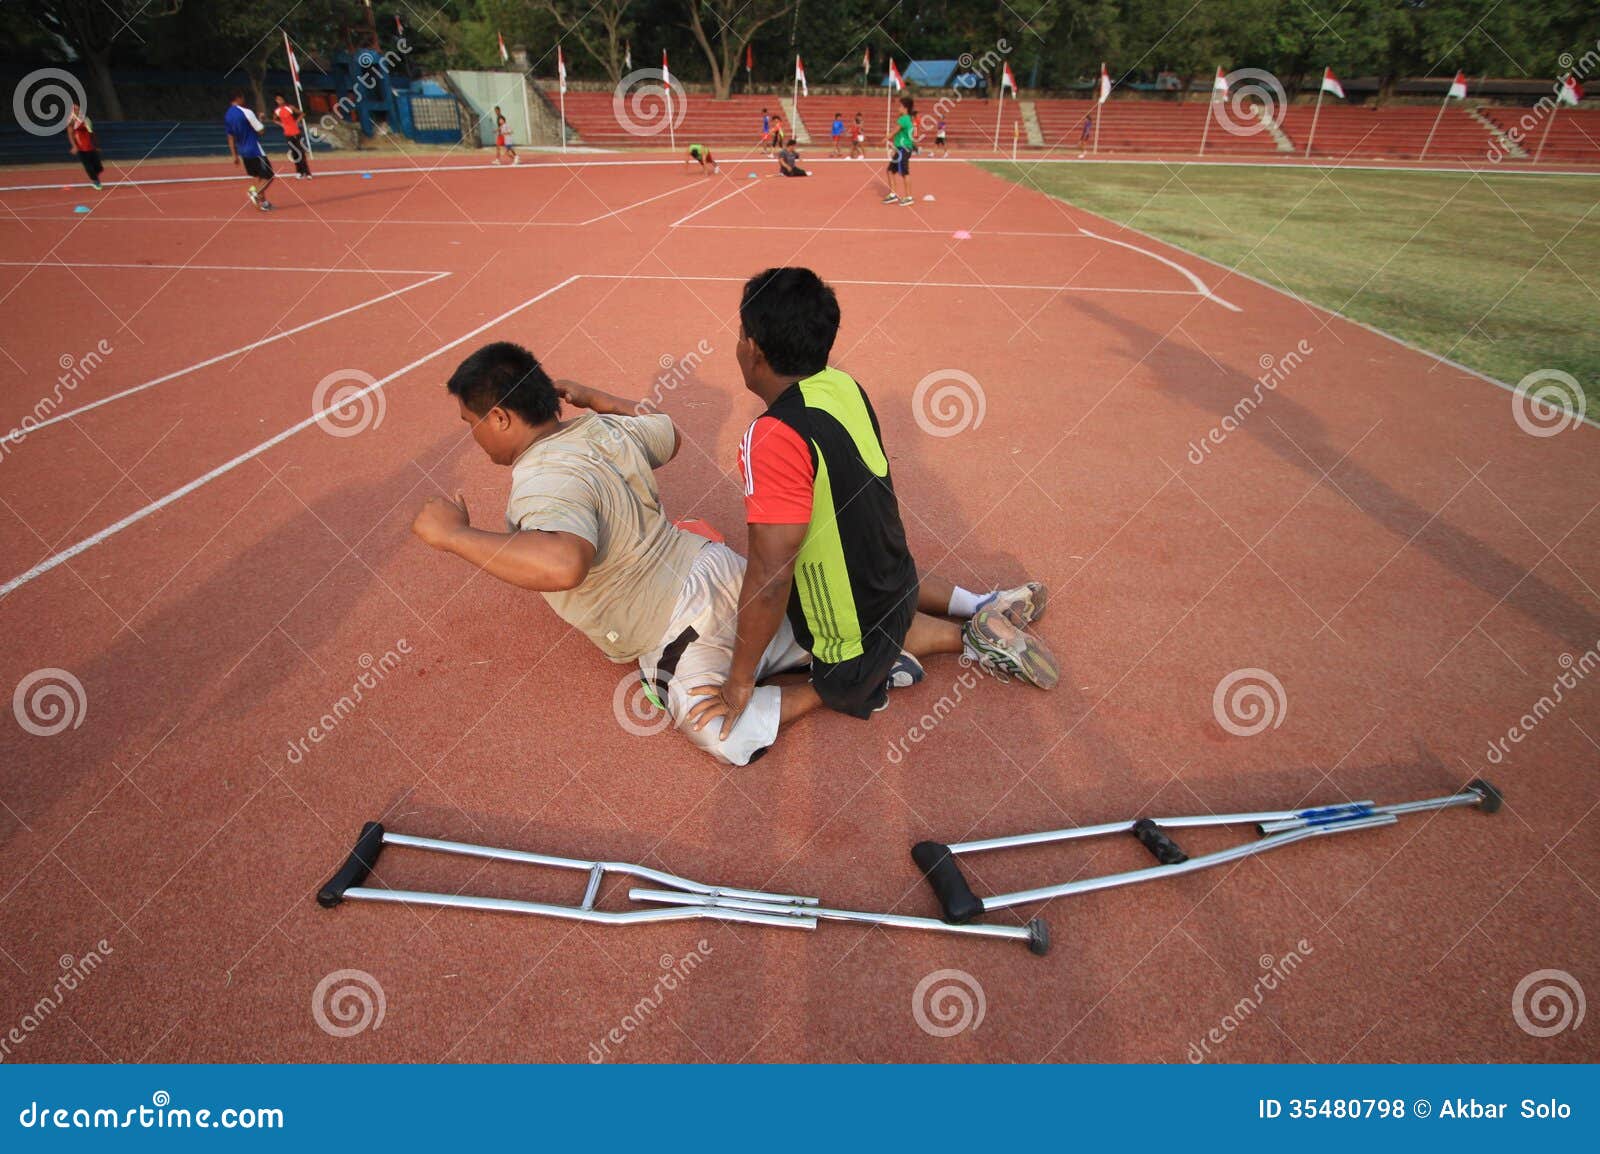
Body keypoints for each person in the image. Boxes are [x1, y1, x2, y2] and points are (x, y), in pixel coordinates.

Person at [684, 268, 1057, 743]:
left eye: (739, 335)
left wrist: (739, 682)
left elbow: (771, 575)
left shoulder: (772, 436)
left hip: (852, 622)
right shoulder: (843, 386)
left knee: (839, 680)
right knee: (871, 581)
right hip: (895, 575)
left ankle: (959, 639)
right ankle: (983, 606)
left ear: (754, 349)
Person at [224, 93, 274, 211]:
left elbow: (230, 137)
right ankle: (254, 193)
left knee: (257, 176)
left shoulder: (227, 116)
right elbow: (261, 131)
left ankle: (264, 203)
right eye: (243, 97)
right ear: (238, 98)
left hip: (243, 151)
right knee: (269, 175)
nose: (244, 100)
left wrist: (235, 155)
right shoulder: (246, 112)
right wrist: (261, 120)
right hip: (254, 149)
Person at [883, 96, 916, 205]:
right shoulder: (908, 118)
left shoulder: (903, 119)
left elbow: (894, 131)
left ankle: (909, 197)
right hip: (902, 149)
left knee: (904, 172)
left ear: (905, 108)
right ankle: (893, 194)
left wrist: (885, 138)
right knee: (890, 171)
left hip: (903, 149)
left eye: (900, 106)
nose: (898, 108)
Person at [273, 93, 312, 179]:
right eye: (278, 100)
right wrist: (281, 124)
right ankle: (299, 171)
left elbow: (302, 114)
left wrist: (297, 121)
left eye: (281, 99)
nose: (280, 101)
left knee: (301, 152)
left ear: (284, 99)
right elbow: (274, 119)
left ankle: (307, 172)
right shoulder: (277, 111)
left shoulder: (290, 107)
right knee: (294, 153)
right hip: (287, 134)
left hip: (296, 132)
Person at [65, 103, 103, 191]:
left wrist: (97, 145)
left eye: (78, 109)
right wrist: (74, 146)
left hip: (90, 146)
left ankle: (94, 177)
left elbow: (91, 133)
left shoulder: (86, 119)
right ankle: (95, 181)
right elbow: (70, 134)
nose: (77, 111)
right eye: (75, 110)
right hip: (81, 148)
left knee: (99, 167)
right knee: (88, 166)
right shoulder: (71, 121)